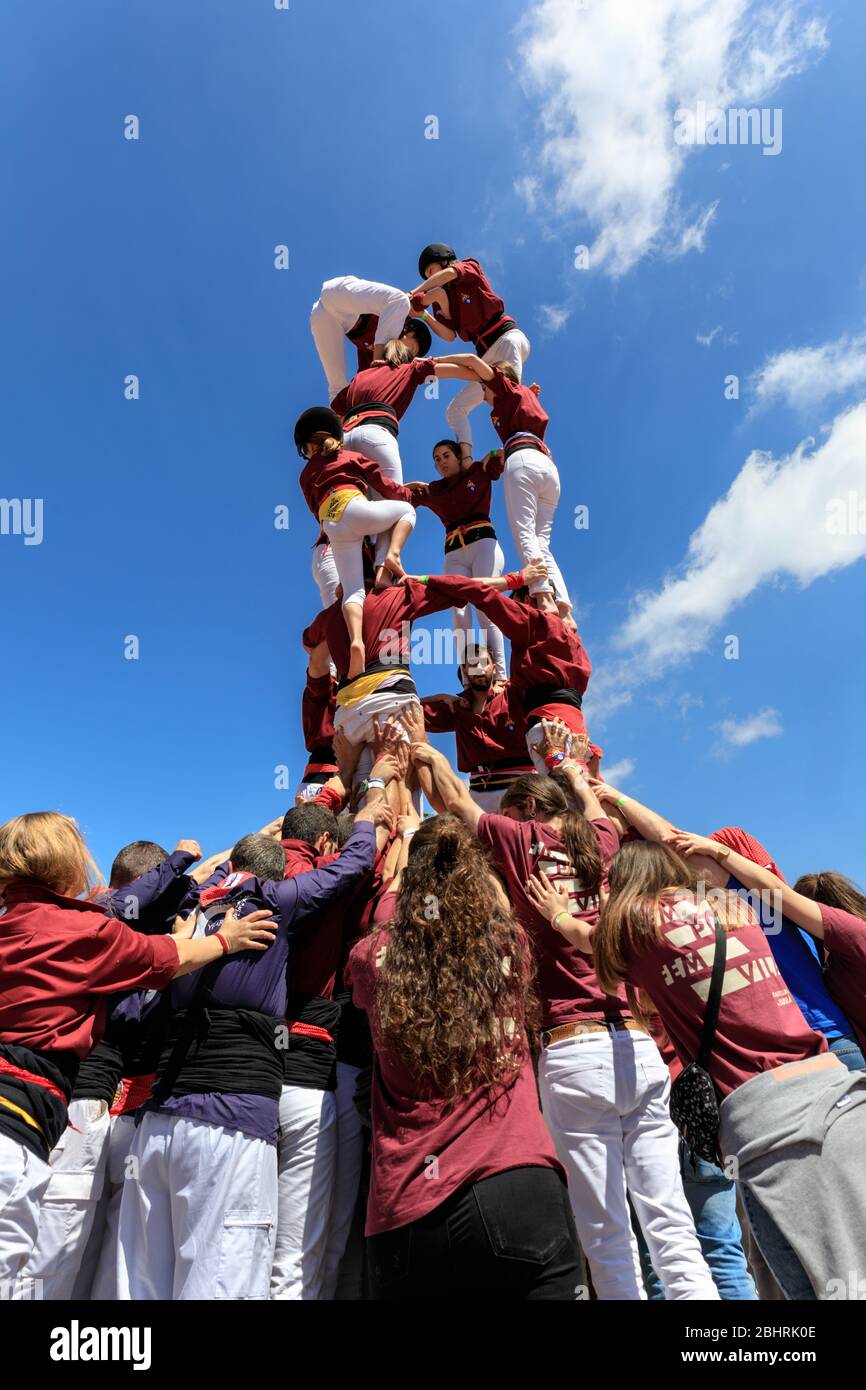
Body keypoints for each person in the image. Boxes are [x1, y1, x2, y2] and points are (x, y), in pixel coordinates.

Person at [408, 727, 718, 1300]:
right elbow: (597, 804)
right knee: (672, 1226)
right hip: (639, 1047)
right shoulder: (600, 840)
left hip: (574, 1052)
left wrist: (423, 750)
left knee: (605, 1234)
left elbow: (453, 801)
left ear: (524, 808)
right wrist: (570, 767)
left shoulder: (518, 839)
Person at [115, 789, 393, 1302]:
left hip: (159, 1120)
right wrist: (369, 819)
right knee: (229, 1274)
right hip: (235, 1116)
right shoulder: (273, 900)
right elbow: (350, 869)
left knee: (141, 1282)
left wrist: (216, 859)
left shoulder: (194, 900)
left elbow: (166, 889)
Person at [0, 811, 276, 1290]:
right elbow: (168, 958)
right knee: (31, 1265)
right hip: (20, 1118)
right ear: (67, 862)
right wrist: (224, 940)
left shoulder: (12, 922)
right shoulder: (81, 931)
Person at [592, 831, 866, 1301]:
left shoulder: (640, 933)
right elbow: (770, 890)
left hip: (766, 1121)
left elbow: (591, 941)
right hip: (835, 1085)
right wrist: (721, 857)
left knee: (811, 1285)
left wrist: (561, 909)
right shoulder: (735, 912)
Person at [345, 812, 581, 1300]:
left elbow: (390, 916)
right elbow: (494, 908)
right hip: (517, 1185)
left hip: (407, 1206)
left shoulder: (370, 957)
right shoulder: (508, 943)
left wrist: (405, 854)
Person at [301, 565, 546, 795]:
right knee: (399, 787)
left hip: (349, 711)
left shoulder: (331, 614)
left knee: (356, 786)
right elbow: (470, 587)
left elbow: (309, 645)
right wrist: (517, 579)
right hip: (389, 697)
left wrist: (341, 615)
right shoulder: (398, 595)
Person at [428, 358, 569, 617]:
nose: (483, 394)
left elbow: (472, 361)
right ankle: (565, 607)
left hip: (522, 457)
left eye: (484, 388)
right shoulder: (517, 399)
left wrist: (433, 364)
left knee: (525, 534)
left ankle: (544, 597)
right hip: (548, 465)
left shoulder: (504, 389)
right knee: (541, 542)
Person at [295, 406, 417, 677]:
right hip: (354, 507)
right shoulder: (350, 457)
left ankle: (356, 642)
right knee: (406, 512)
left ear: (310, 447)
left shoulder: (304, 475)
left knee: (352, 592)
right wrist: (407, 494)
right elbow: (383, 484)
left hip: (332, 525)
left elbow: (314, 509)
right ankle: (391, 557)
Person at [439, 577, 592, 769]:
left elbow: (482, 594)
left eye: (517, 606)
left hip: (547, 723)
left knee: (567, 781)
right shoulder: (571, 638)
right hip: (574, 722)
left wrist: (426, 580)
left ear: (527, 602)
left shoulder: (535, 625)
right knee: (579, 787)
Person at [409, 244, 530, 453]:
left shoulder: (468, 266)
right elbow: (449, 336)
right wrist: (424, 315)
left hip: (505, 338)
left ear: (445, 260)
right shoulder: (440, 300)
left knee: (508, 397)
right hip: (485, 357)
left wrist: (416, 292)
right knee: (455, 410)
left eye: (430, 271)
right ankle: (466, 462)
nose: (428, 278)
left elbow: (449, 274)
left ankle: (527, 445)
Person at [409, 439, 507, 676]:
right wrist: (416, 485)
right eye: (437, 459)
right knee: (459, 610)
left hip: (483, 543)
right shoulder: (435, 490)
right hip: (454, 552)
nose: (441, 462)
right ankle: (467, 677)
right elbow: (401, 493)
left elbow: (504, 454)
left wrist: (489, 454)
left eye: (446, 455)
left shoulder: (477, 472)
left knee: (485, 606)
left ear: (457, 456)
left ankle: (501, 676)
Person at [422, 644, 533, 811]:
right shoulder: (457, 707)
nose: (479, 668)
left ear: (494, 668)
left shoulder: (513, 695)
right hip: (478, 798)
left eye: (484, 663)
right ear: (465, 671)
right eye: (472, 664)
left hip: (522, 791)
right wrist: (439, 696)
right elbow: (406, 706)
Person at [310, 275, 439, 407]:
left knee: (340, 392)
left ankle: (339, 419)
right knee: (401, 301)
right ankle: (379, 368)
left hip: (324, 317)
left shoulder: (374, 352)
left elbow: (365, 382)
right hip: (337, 294)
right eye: (412, 350)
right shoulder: (400, 317)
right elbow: (449, 335)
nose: (407, 356)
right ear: (411, 332)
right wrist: (424, 312)